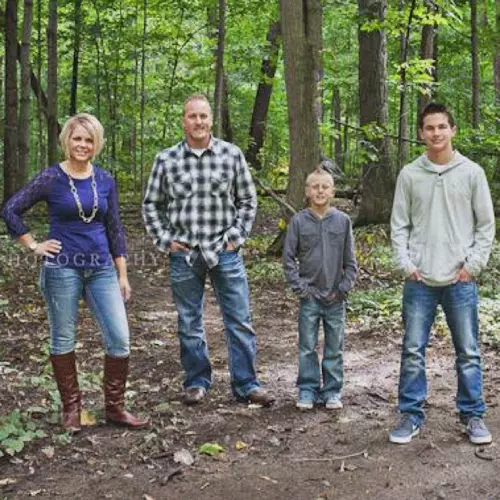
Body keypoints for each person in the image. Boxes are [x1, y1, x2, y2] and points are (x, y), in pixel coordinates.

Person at [1, 113, 149, 432]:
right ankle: (72, 410)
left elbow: (115, 229)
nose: (82, 144)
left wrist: (122, 274)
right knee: (63, 337)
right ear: (66, 140)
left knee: (120, 338)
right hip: (61, 269)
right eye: (77, 138)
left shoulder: (106, 180)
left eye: (88, 139)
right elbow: (11, 209)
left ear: (96, 144)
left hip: (101, 270)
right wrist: (33, 246)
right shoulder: (51, 178)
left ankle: (115, 408)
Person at [142, 94, 274, 407]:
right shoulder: (166, 160)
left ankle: (246, 384)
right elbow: (151, 204)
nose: (198, 122)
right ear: (183, 121)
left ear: (211, 119)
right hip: (185, 253)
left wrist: (237, 236)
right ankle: (196, 381)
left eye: (203, 116)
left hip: (224, 250)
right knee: (189, 321)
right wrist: (165, 240)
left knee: (239, 318)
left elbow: (247, 200)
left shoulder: (231, 155)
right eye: (192, 116)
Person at [390, 103, 495, 445]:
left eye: (441, 126)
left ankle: (472, 415)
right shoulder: (409, 174)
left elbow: (485, 225)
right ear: (421, 133)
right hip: (420, 279)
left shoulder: (471, 173)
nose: (436, 133)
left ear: (453, 130)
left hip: (459, 279)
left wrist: (473, 265)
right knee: (412, 349)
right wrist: (407, 265)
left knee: (467, 351)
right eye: (429, 127)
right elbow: (399, 225)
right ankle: (410, 414)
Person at [283, 167, 357, 410]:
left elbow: (351, 261)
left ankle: (332, 391)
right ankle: (307, 389)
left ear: (333, 191)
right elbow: (288, 259)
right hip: (310, 297)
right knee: (307, 345)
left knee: (334, 346)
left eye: (325, 186)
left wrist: (343, 288)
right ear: (307, 191)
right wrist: (302, 289)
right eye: (315, 187)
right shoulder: (298, 221)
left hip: (336, 298)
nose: (320, 191)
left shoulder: (343, 221)